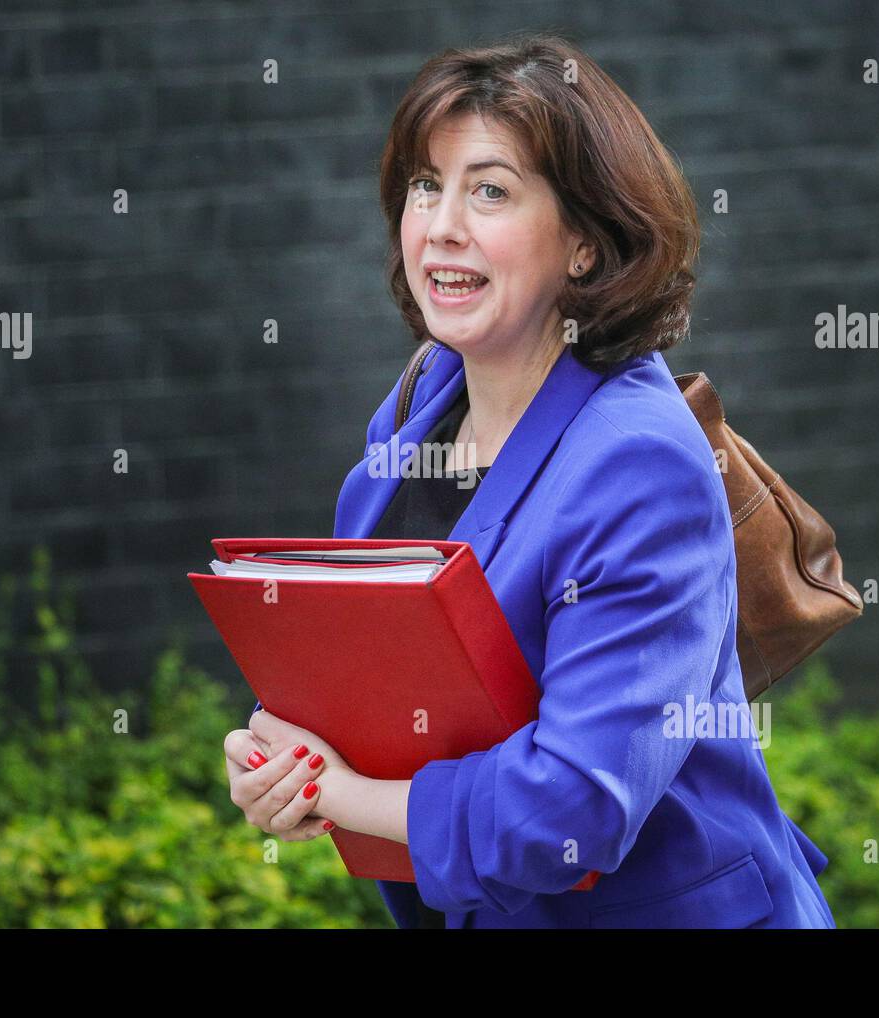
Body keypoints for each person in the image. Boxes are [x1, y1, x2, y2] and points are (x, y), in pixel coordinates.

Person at [223, 32, 837, 930]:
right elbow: (388, 662)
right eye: (426, 185)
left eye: (490, 190)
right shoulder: (419, 405)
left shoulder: (637, 460)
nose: (441, 225)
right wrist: (288, 758)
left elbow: (573, 811)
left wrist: (347, 794)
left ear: (584, 245)